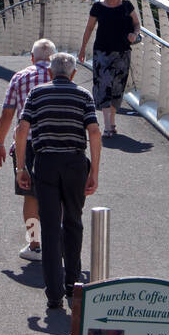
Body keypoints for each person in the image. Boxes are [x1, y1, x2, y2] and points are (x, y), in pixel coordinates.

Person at [15, 51, 101, 312]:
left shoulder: (37, 94)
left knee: (51, 229)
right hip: (75, 163)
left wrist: (22, 167)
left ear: (50, 72)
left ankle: (53, 295)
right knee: (73, 222)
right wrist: (94, 171)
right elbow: (94, 132)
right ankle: (73, 286)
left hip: (46, 163)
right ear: (74, 73)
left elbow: (22, 129)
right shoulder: (84, 96)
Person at [0, 39, 56, 265]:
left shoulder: (20, 77)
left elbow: (8, 113)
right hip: (57, 143)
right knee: (56, 193)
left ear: (32, 57)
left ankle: (34, 244)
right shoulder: (60, 76)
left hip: (26, 143)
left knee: (30, 195)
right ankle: (55, 242)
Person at [77, 0, 140, 136]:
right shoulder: (98, 7)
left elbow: (137, 24)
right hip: (102, 52)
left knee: (117, 88)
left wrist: (135, 33)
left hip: (122, 52)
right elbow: (90, 27)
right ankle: (106, 126)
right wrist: (83, 48)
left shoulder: (126, 6)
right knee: (104, 85)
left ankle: (112, 122)